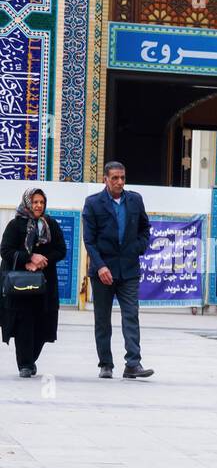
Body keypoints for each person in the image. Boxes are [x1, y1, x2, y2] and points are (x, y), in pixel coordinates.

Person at [82, 161, 154, 379]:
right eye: (115, 178)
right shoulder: (93, 203)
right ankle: (105, 364)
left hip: (129, 270)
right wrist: (101, 266)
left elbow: (145, 228)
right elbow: (89, 241)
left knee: (131, 315)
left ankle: (133, 364)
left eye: (122, 177)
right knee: (102, 320)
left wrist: (138, 247)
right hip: (102, 272)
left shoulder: (135, 200)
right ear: (105, 179)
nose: (120, 182)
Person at [1, 188, 67, 377]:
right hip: (21, 284)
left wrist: (42, 260)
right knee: (24, 323)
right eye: (35, 202)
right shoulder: (15, 225)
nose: (38, 206)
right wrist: (29, 258)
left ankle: (31, 359)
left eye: (41, 202)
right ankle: (25, 364)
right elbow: (5, 250)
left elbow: (61, 250)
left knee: (43, 323)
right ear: (27, 203)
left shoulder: (50, 224)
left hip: (45, 283)